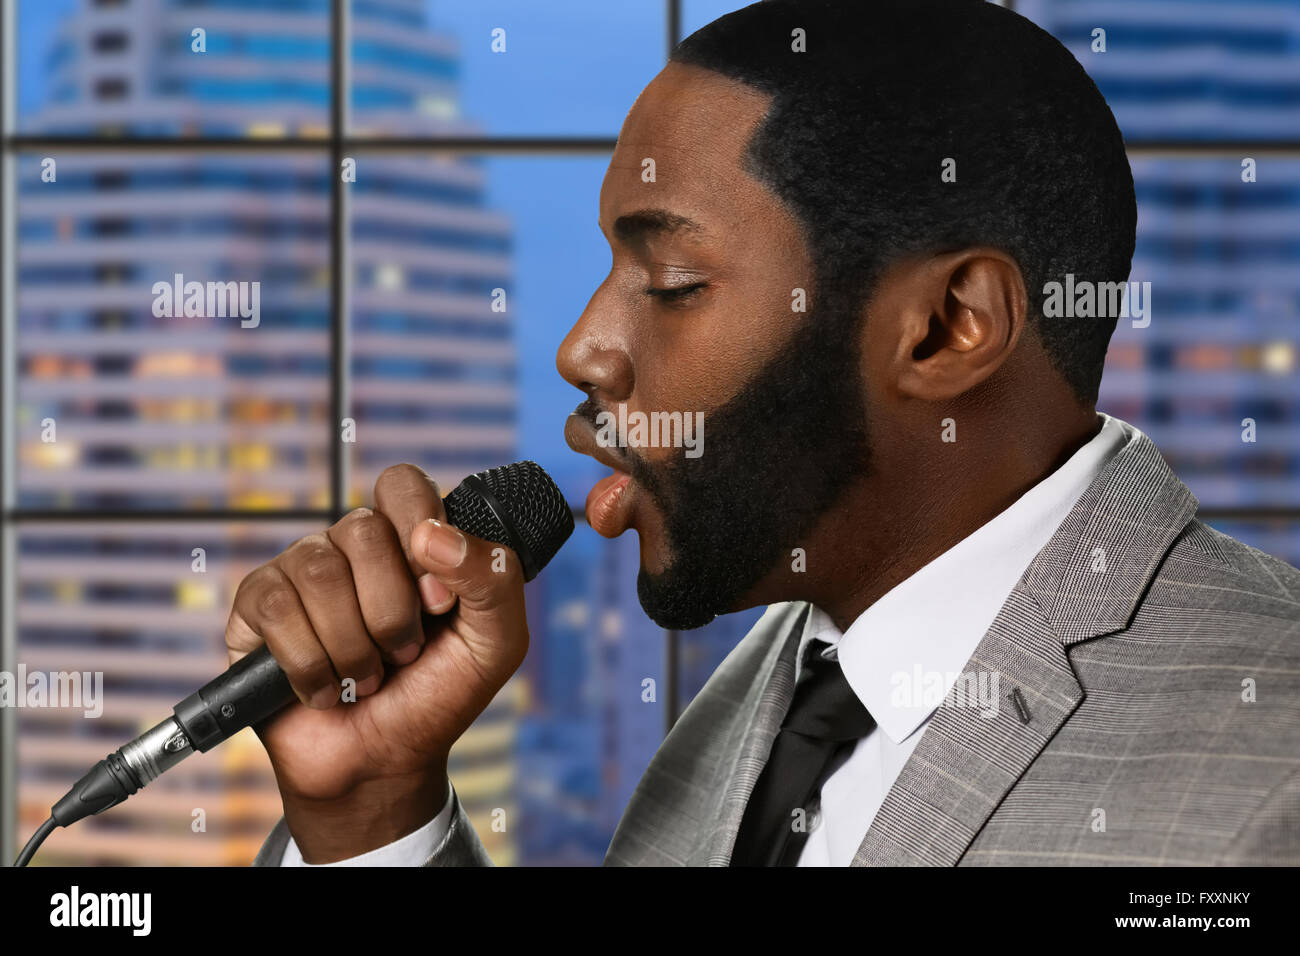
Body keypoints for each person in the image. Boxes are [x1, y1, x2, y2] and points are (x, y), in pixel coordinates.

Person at [235, 0, 1300, 866]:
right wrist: (375, 814)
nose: (581, 349)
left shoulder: (1269, 784)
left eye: (674, 280)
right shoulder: (786, 679)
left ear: (946, 327)